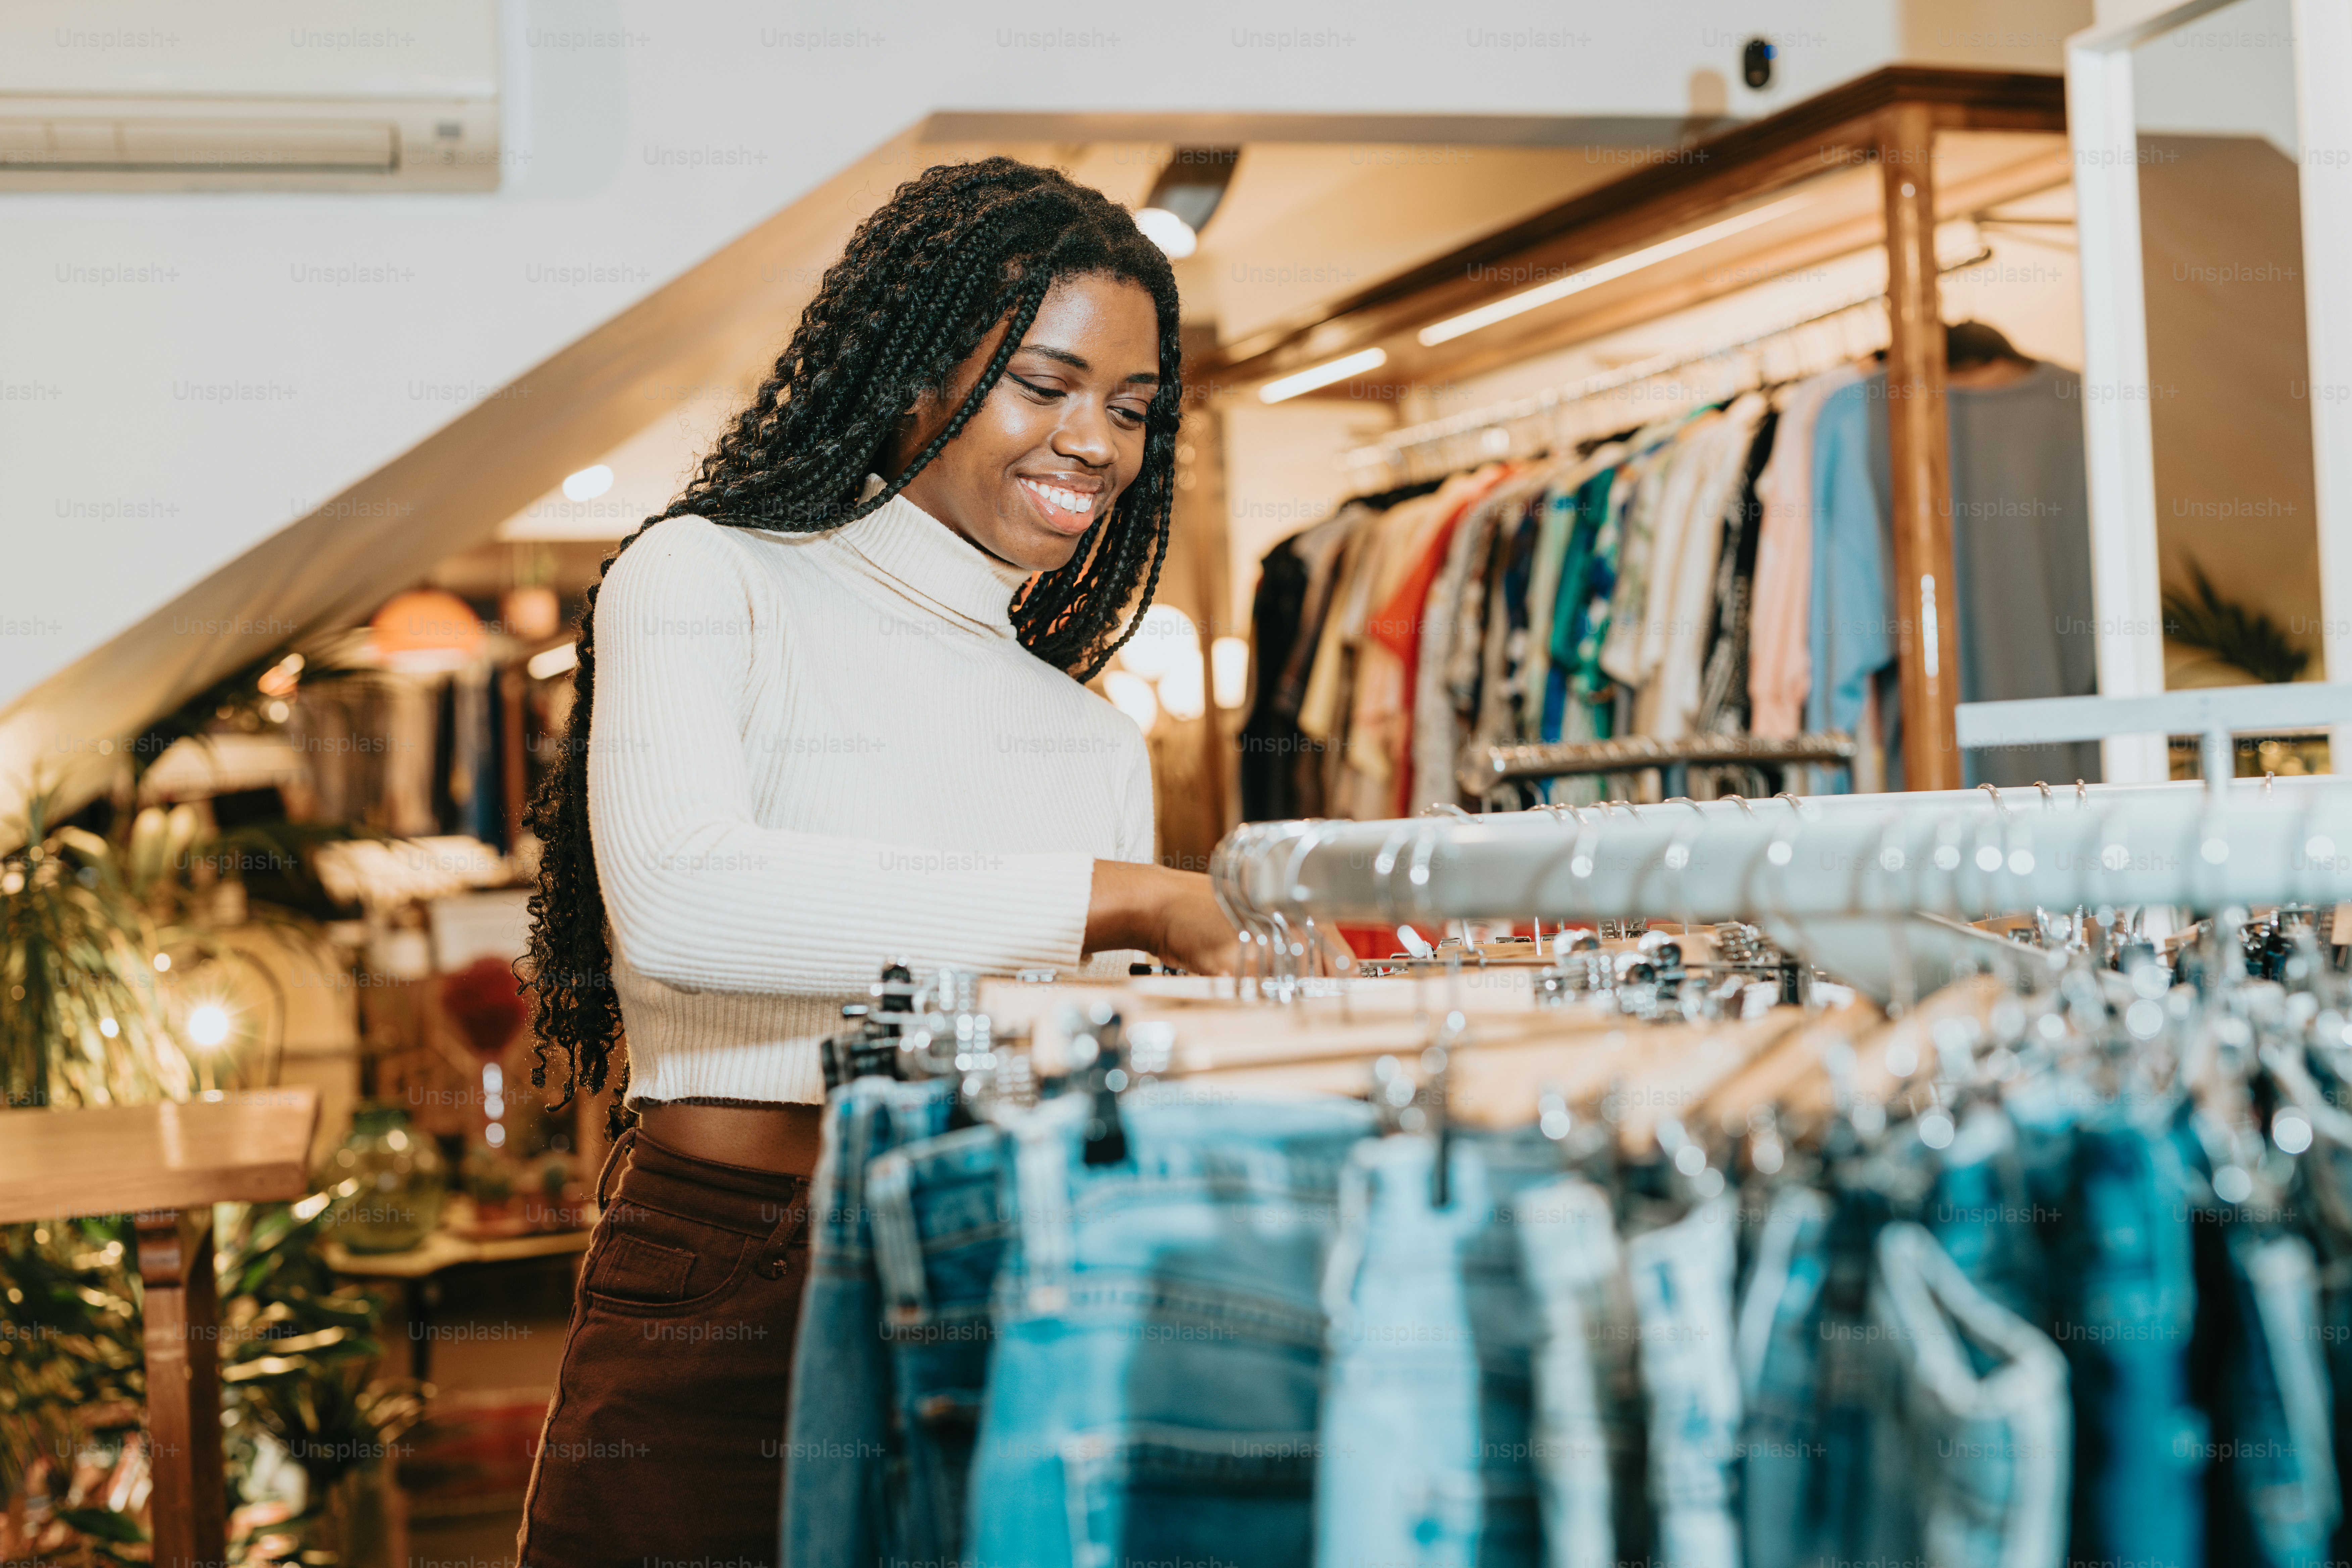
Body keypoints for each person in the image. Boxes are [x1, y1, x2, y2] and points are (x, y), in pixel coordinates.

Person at [512, 157, 1242, 1564]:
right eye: (1045, 384)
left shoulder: (1089, 736)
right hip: (732, 1258)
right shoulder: (708, 577)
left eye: (1134, 409)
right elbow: (680, 904)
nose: (1094, 440)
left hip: (999, 1264)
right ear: (916, 373)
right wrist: (1126, 900)